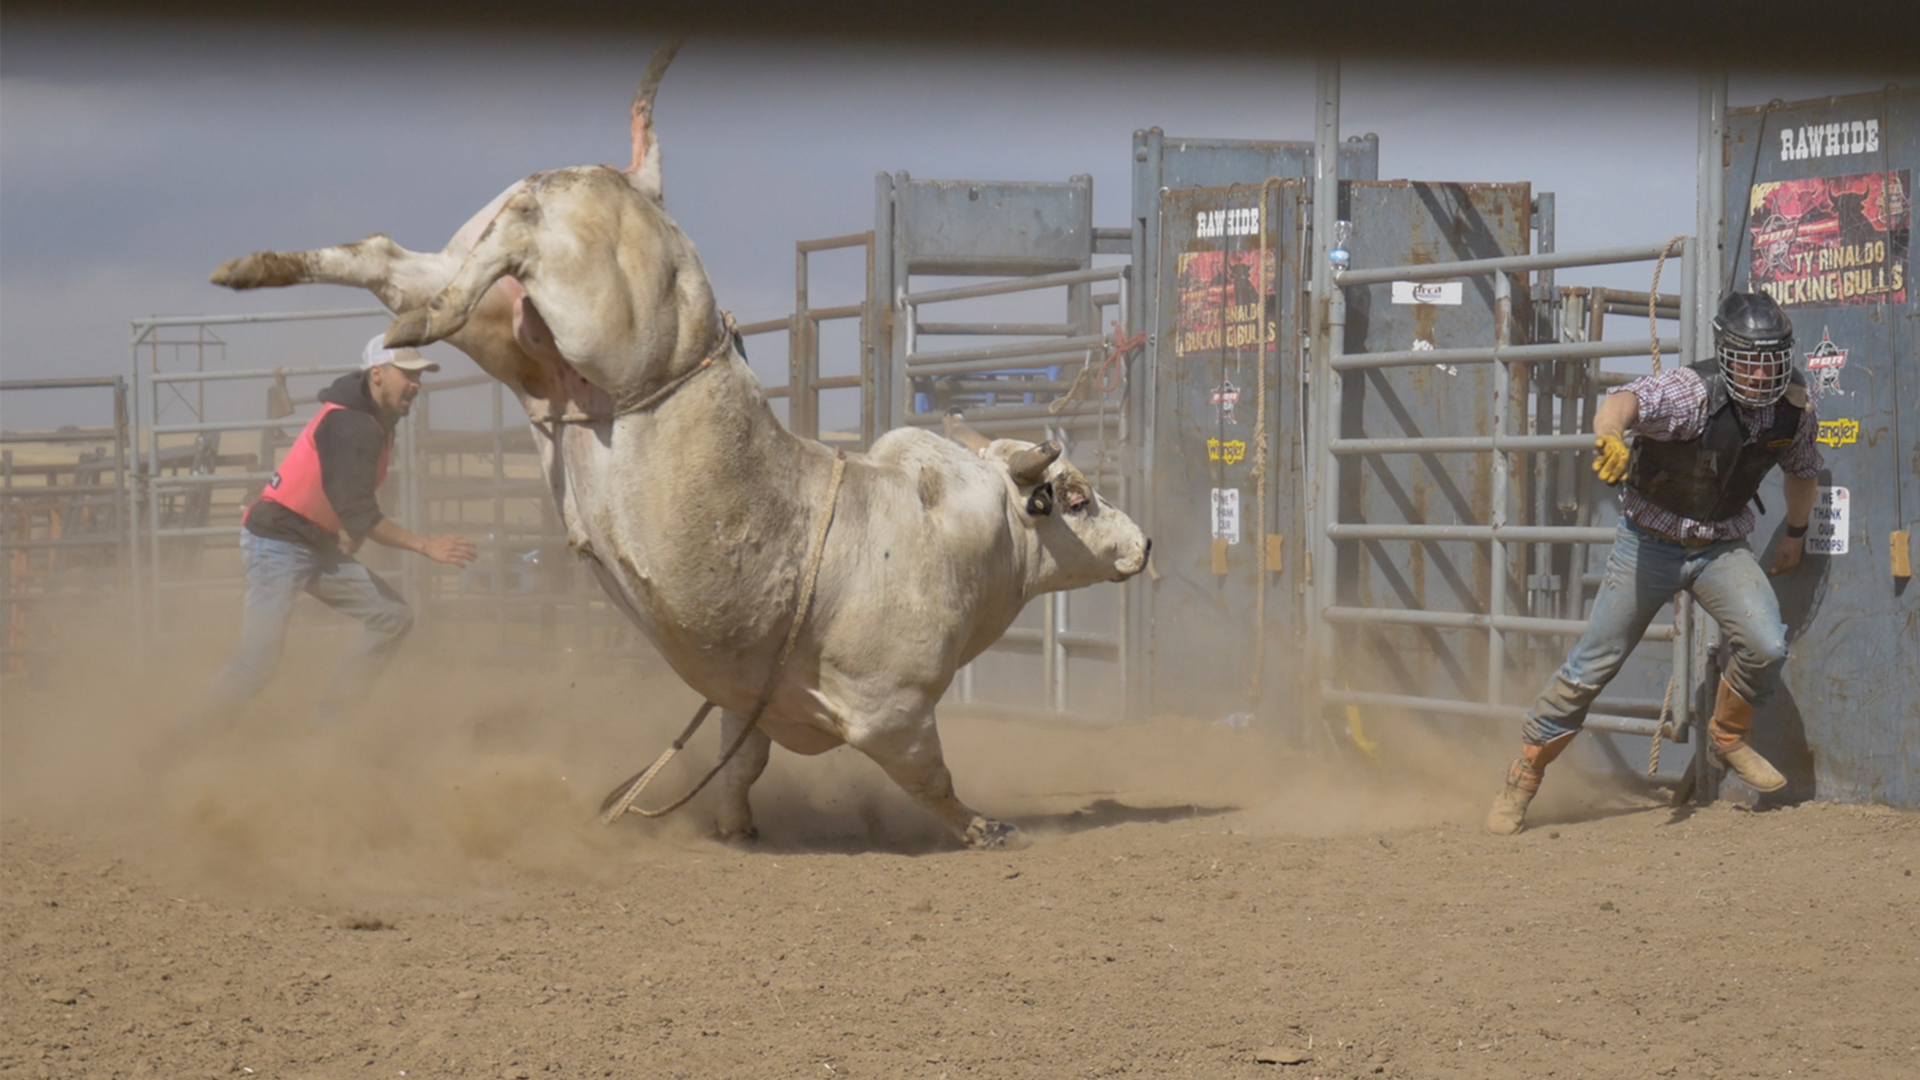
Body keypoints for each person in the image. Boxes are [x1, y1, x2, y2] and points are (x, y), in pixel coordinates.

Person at [1487, 291, 1822, 835]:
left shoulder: (1795, 407)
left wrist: (1796, 531)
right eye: (1748, 360)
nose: (1761, 375)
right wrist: (1609, 435)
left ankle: (1728, 735)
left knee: (1766, 643)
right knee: (1592, 666)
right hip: (1649, 543)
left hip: (1720, 546)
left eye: (1770, 360)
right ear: (1726, 355)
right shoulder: (1693, 393)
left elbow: (1803, 469)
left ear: (1784, 358)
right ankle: (1524, 772)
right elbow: (1624, 401)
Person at [189, 334, 477, 727]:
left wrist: (346, 530)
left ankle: (329, 725)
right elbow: (362, 513)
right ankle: (178, 746)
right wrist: (427, 546)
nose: (416, 383)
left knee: (392, 616)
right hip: (276, 541)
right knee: (256, 664)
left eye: (419, 375)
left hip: (312, 542)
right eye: (407, 374)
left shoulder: (377, 419)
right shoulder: (350, 423)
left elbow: (351, 495)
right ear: (377, 374)